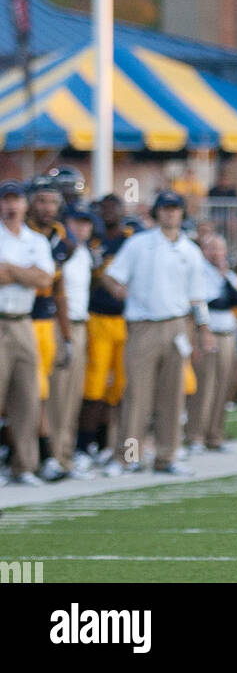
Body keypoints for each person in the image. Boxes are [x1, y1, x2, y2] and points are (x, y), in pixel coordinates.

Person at [100, 191, 213, 476]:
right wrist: (118, 290)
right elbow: (111, 274)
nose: (170, 214)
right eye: (165, 209)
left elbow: (197, 297)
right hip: (143, 325)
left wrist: (204, 330)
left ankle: (167, 455)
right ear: (157, 212)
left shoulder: (190, 251)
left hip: (176, 324)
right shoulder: (139, 244)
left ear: (181, 213)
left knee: (172, 396)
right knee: (137, 395)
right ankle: (127, 457)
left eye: (175, 209)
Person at [77, 193, 137, 467]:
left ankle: (110, 444)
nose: (109, 213)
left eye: (114, 208)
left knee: (121, 388)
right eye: (104, 208)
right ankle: (87, 444)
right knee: (94, 386)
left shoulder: (131, 240)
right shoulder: (92, 242)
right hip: (97, 318)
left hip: (125, 320)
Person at [0, 180, 53, 485]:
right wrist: (25, 273)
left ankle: (25, 465)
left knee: (27, 396)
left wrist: (10, 269)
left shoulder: (36, 240)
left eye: (16, 200)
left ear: (24, 204)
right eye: (6, 200)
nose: (11, 206)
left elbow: (44, 279)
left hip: (23, 321)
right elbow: (31, 275)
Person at [26, 176, 74, 482]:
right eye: (41, 200)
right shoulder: (16, 234)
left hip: (44, 320)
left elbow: (58, 287)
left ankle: (44, 457)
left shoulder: (59, 237)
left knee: (41, 393)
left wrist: (67, 336)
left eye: (52, 201)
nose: (47, 207)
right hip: (16, 316)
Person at [185, 234, 237, 453]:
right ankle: (195, 435)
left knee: (223, 386)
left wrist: (223, 275)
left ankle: (215, 434)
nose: (217, 253)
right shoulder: (199, 270)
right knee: (204, 386)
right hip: (208, 332)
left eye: (220, 249)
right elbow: (212, 302)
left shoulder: (227, 274)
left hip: (227, 333)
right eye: (212, 249)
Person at [49, 203, 94, 478]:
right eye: (77, 222)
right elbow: (56, 293)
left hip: (81, 324)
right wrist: (65, 333)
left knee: (73, 396)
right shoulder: (61, 249)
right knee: (58, 396)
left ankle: (65, 456)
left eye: (87, 223)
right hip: (61, 325)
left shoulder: (85, 252)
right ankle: (54, 456)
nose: (82, 228)